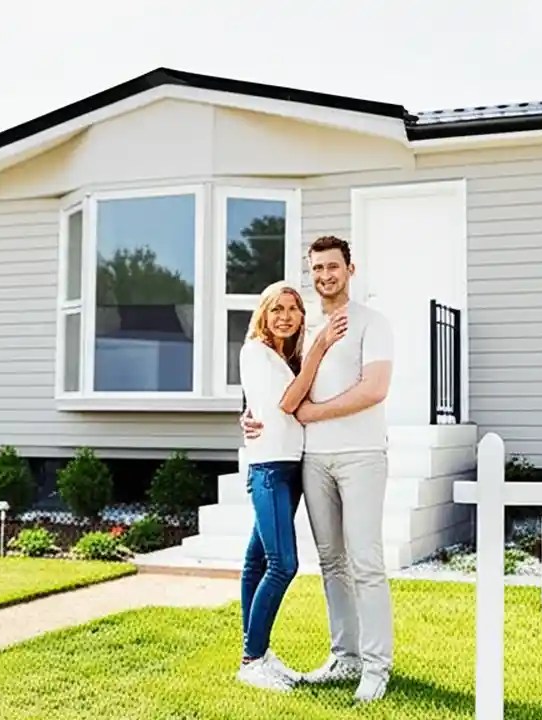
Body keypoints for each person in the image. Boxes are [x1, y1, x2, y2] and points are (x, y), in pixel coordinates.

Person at [241, 235, 395, 704]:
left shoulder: (372, 322)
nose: (326, 275)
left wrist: (311, 413)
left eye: (333, 266)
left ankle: (376, 666)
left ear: (350, 269)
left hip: (362, 454)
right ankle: (344, 656)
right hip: (310, 460)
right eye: (318, 268)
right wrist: (248, 414)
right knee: (331, 563)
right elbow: (276, 387)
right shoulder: (304, 330)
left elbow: (374, 389)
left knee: (365, 561)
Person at [236, 279, 347, 693]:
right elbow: (286, 403)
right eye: (276, 309)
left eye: (293, 309)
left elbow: (275, 405)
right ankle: (251, 660)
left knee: (256, 562)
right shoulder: (255, 351)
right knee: (283, 564)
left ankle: (257, 653)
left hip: (290, 467)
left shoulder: (288, 359)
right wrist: (319, 348)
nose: (285, 317)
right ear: (263, 315)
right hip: (268, 469)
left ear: (302, 315)